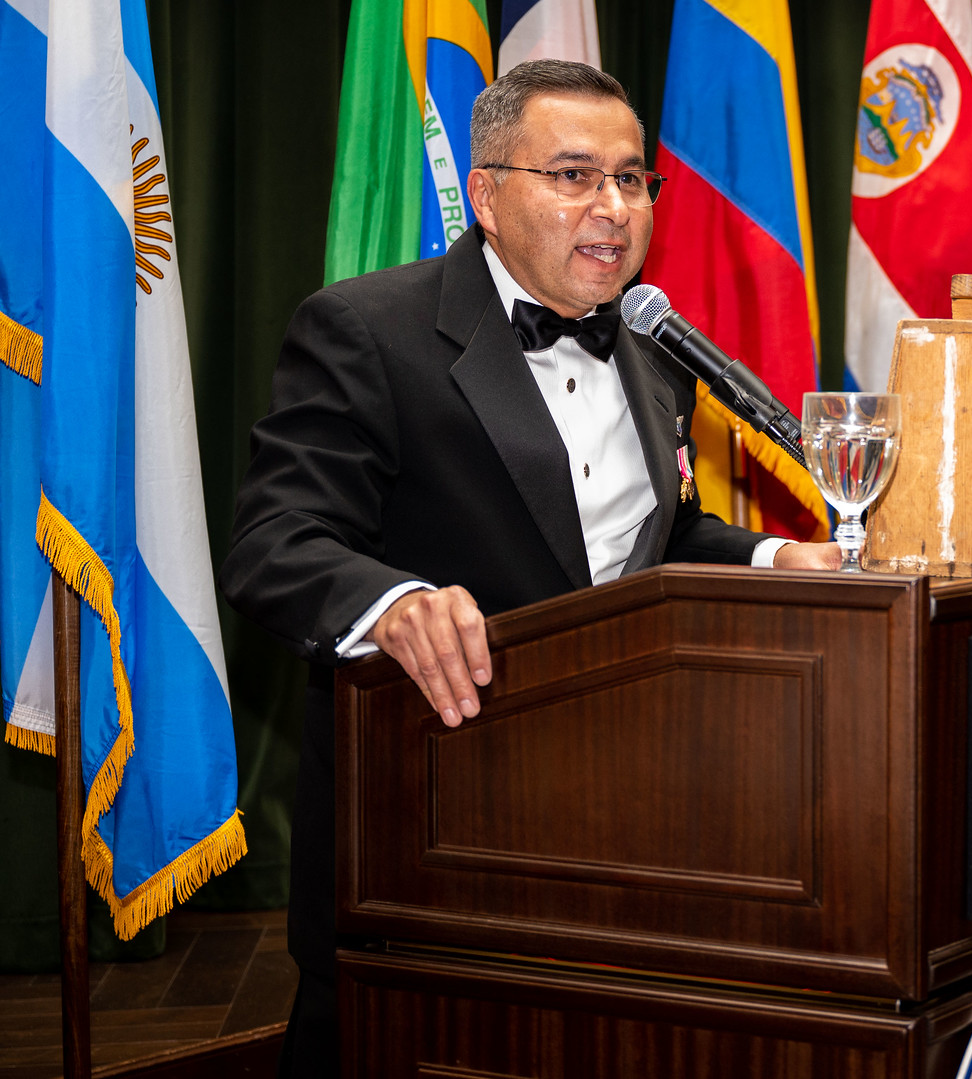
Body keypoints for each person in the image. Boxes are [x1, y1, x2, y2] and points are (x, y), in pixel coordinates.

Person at [221, 60, 840, 1078]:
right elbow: (275, 541)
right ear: (487, 195)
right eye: (573, 175)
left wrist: (777, 555)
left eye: (634, 179)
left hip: (626, 835)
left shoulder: (649, 348)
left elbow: (649, 540)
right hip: (431, 840)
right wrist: (396, 602)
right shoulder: (367, 330)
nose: (613, 207)